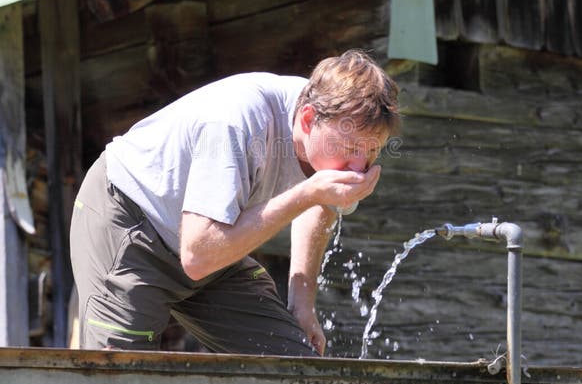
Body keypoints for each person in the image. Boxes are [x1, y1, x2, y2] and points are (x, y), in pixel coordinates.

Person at [70, 49, 400, 356]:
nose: (359, 168)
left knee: (297, 364)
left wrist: (303, 304)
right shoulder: (237, 121)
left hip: (207, 249)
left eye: (371, 152)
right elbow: (199, 255)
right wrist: (307, 193)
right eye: (352, 149)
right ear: (307, 120)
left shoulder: (328, 118)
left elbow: (320, 202)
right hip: (130, 223)